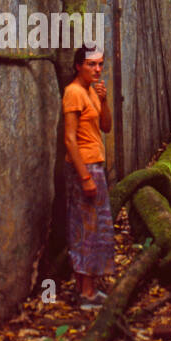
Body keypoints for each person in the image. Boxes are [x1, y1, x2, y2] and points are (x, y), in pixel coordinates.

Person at [62, 45, 115, 310]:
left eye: (100, 64)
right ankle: (85, 293)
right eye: (91, 65)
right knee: (85, 227)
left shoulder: (92, 92)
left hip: (95, 163)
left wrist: (104, 100)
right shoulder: (73, 92)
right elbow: (69, 139)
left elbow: (106, 127)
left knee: (93, 227)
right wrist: (84, 177)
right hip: (84, 166)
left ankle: (88, 288)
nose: (97, 69)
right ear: (78, 66)